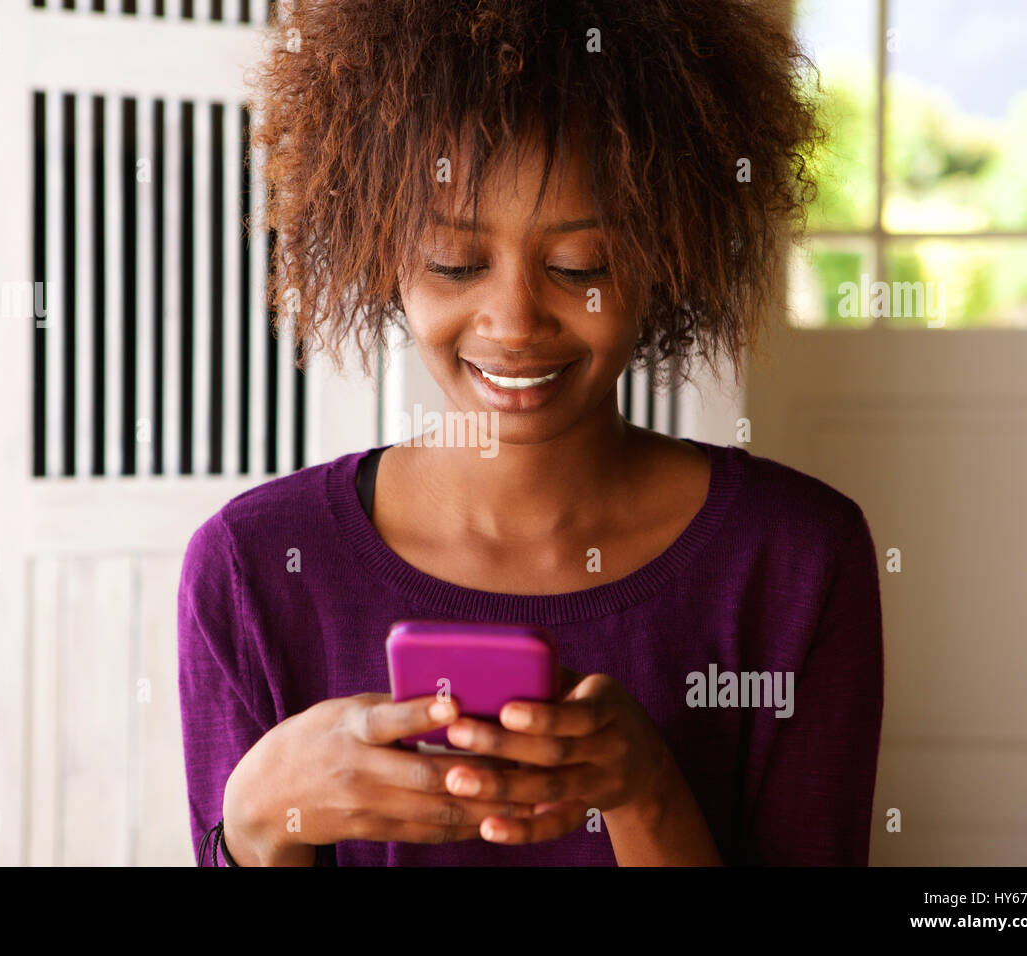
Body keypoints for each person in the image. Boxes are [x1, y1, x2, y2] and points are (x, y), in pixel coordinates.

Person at [179, 0, 883, 866]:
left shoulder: (798, 558)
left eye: (578, 267)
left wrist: (646, 792)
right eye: (454, 263)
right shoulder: (254, 567)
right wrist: (256, 820)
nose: (513, 322)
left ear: (668, 255)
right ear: (378, 249)